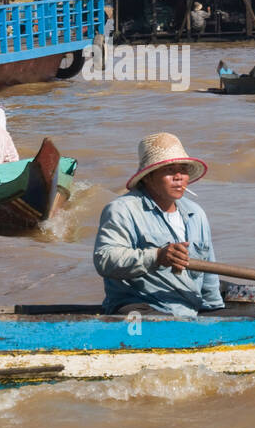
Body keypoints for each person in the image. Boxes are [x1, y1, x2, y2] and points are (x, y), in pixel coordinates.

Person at [93, 133, 224, 317]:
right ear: (148, 177)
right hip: (140, 307)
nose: (178, 177)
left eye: (183, 169)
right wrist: (157, 256)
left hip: (187, 310)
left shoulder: (196, 214)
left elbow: (209, 275)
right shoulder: (122, 209)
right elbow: (105, 259)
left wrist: (216, 313)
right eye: (169, 170)